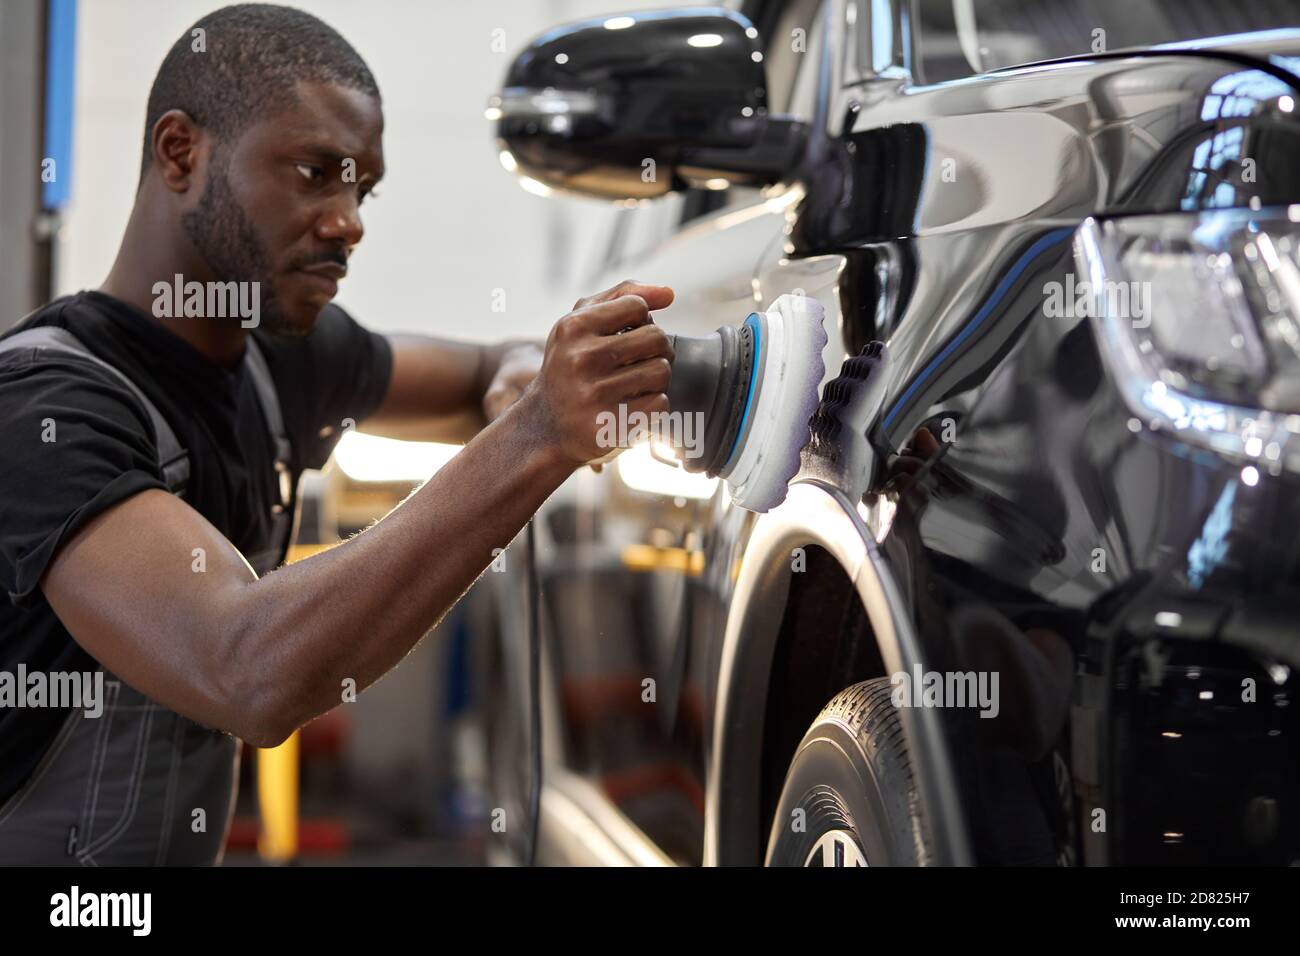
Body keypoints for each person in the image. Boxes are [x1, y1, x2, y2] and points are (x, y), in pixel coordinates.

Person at [0, 3, 674, 864]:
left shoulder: (278, 361)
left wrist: (534, 382)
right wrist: (540, 434)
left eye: (363, 188)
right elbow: (242, 668)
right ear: (180, 153)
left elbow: (481, 377)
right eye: (317, 172)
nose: (350, 220)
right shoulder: (45, 407)